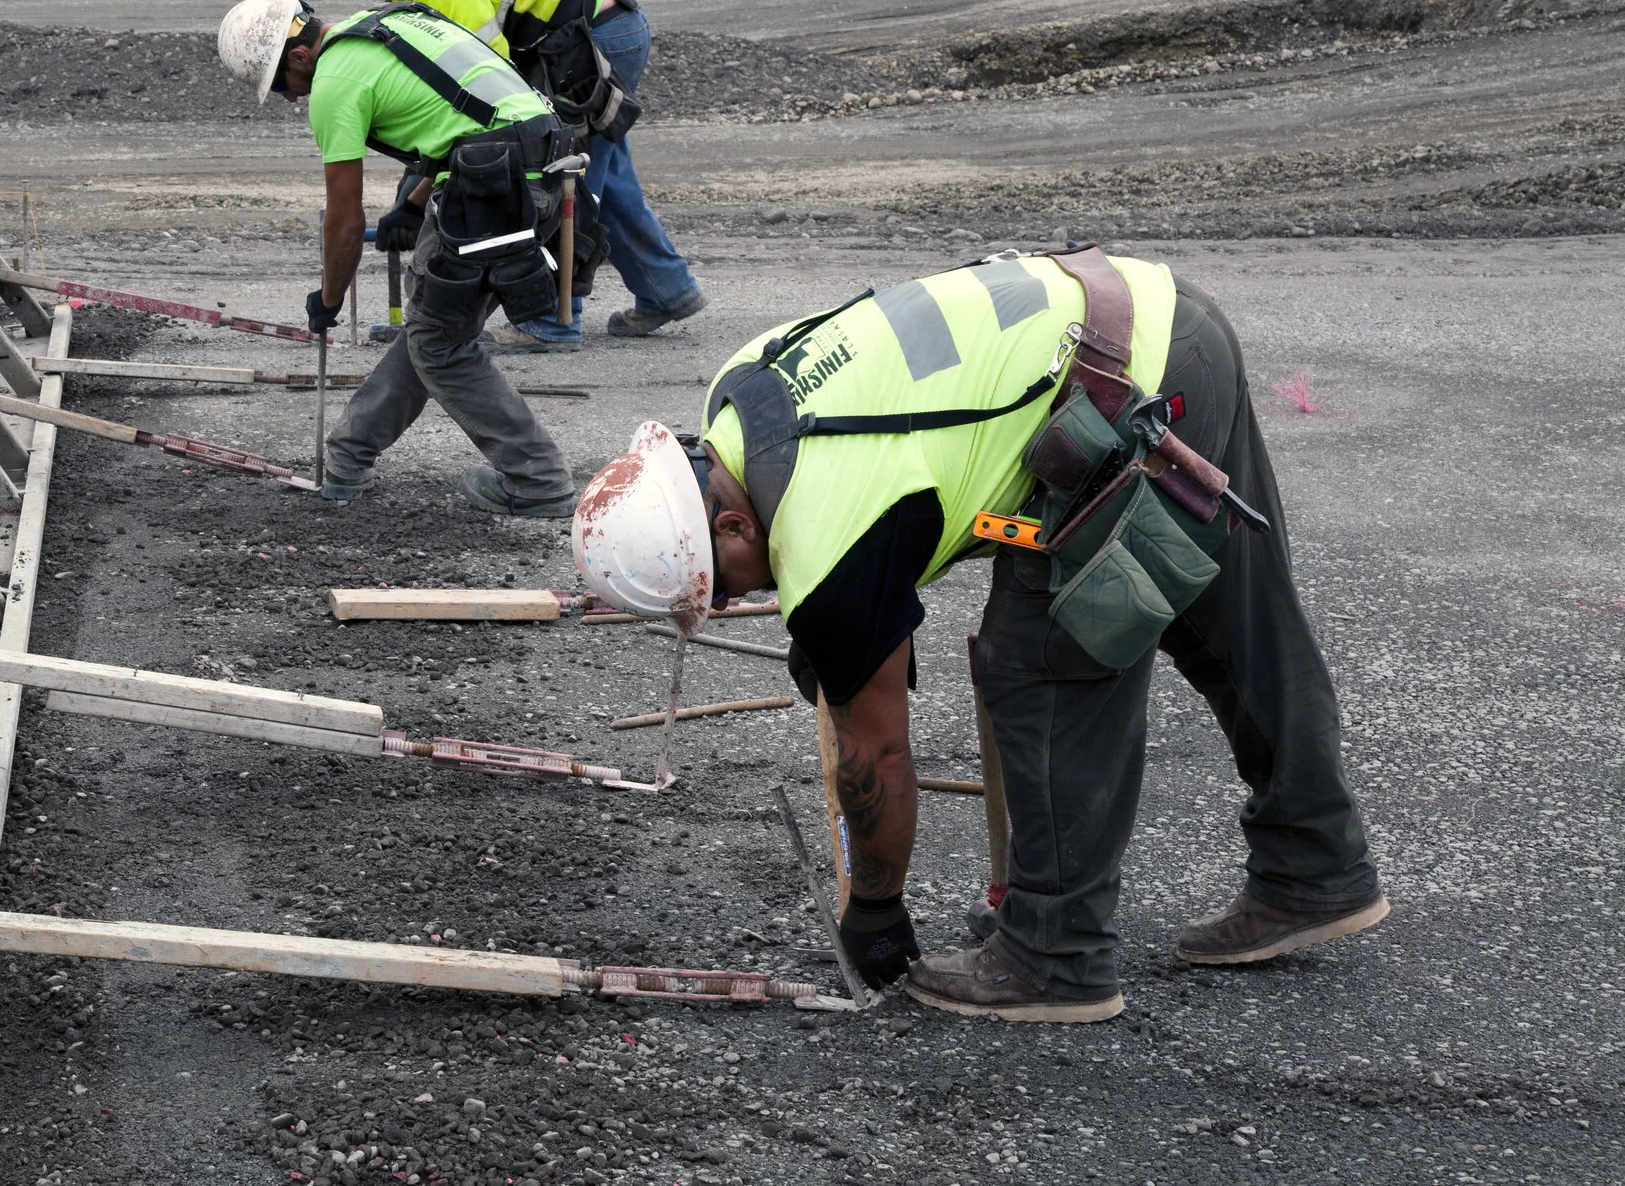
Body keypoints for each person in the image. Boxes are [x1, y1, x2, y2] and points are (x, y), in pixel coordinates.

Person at [570, 246, 1387, 1022]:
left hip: (1118, 391)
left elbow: (880, 756)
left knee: (1041, 660)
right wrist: (836, 630)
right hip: (1161, 318)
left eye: (721, 588)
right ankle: (1315, 861)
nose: (733, 602)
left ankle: (1056, 954)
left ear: (734, 525)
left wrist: (876, 909)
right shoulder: (738, 393)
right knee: (1235, 614)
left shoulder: (822, 530)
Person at [215, 0, 593, 519]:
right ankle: (348, 458)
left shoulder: (334, 83)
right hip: (544, 168)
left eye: (281, 86)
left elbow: (345, 222)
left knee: (439, 345)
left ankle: (539, 481)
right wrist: (414, 204)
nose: (292, 98)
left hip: (499, 190)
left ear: (299, 56)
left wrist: (329, 297)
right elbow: (463, 113)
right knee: (433, 329)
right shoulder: (387, 24)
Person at [317, 0, 704, 354]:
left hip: (590, 47)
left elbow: (492, 91)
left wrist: (416, 197)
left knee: (557, 173)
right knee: (601, 174)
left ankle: (552, 320)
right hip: (597, 33)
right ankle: (667, 288)